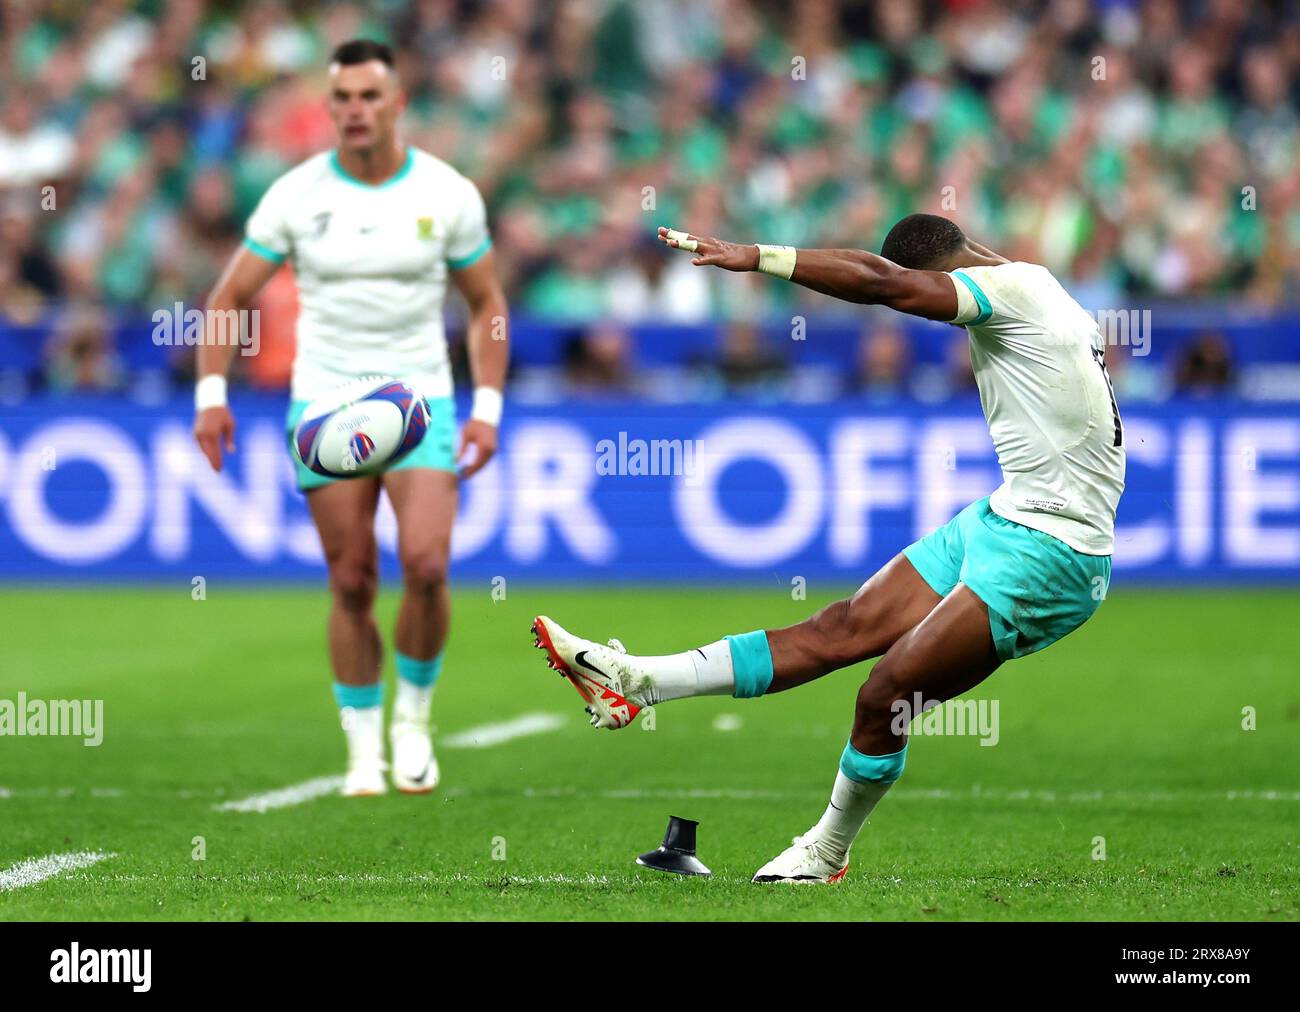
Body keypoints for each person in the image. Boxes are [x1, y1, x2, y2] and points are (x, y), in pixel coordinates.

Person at [532, 213, 1124, 882]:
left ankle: (826, 851)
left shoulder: (1010, 292)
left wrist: (756, 257)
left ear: (936, 275)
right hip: (1005, 516)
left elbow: (882, 284)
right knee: (840, 629)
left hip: (1055, 550)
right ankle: (638, 683)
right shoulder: (1039, 288)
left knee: (885, 695)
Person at [194, 39, 509, 797]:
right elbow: (227, 298)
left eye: (369, 96)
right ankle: (363, 746)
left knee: (428, 567)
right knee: (352, 579)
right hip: (324, 402)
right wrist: (212, 396)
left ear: (398, 104)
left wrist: (487, 407)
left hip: (419, 398)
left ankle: (414, 720)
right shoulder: (297, 194)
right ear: (329, 106)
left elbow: (486, 304)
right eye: (341, 98)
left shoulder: (447, 192)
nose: (354, 111)